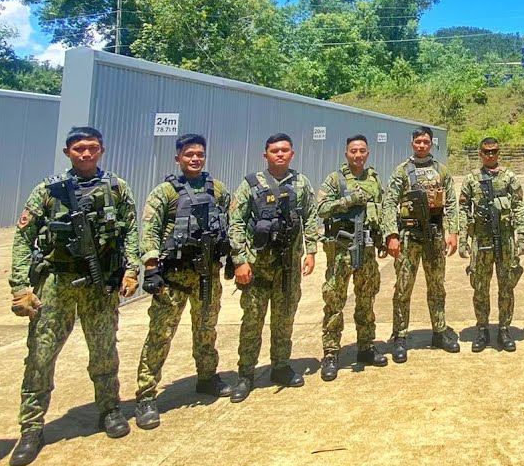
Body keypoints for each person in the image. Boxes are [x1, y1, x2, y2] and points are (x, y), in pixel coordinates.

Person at [9, 126, 141, 466]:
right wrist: (20, 287)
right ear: (68, 152)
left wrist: (132, 270)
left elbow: (130, 231)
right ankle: (31, 428)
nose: (86, 154)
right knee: (40, 355)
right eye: (79, 148)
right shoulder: (48, 190)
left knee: (103, 350)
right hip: (57, 283)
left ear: (102, 150)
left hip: (100, 285)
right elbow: (23, 239)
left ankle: (110, 410)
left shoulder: (116, 188)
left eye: (92, 148)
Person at [134, 133, 233, 430]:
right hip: (174, 277)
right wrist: (151, 266)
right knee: (160, 334)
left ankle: (207, 377)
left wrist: (230, 258)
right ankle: (146, 394)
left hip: (207, 274)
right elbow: (149, 231)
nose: (195, 159)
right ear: (178, 158)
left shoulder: (218, 189)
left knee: (206, 328)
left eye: (200, 154)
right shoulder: (165, 192)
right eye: (189, 154)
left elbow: (229, 224)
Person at [228, 133, 319, 398]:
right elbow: (235, 223)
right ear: (265, 155)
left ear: (292, 154)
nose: (280, 154)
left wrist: (311, 251)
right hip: (257, 268)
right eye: (274, 151)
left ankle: (280, 365)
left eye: (285, 150)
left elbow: (310, 218)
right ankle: (245, 374)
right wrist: (240, 261)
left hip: (287, 266)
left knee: (284, 319)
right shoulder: (250, 185)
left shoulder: (301, 184)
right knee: (252, 321)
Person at [382, 127, 461, 362]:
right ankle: (400, 336)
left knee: (437, 286)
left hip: (435, 235)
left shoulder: (441, 171)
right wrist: (391, 234)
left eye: (425, 142)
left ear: (431, 143)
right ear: (412, 144)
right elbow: (389, 203)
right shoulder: (402, 171)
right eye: (418, 142)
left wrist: (453, 231)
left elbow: (452, 203)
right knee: (403, 288)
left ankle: (439, 331)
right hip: (409, 235)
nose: (421, 145)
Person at [316, 134, 388, 381]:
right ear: (346, 153)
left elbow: (382, 209)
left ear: (367, 153)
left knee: (366, 299)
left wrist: (384, 239)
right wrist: (347, 201)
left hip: (367, 250)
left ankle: (366, 347)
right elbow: (321, 209)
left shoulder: (374, 179)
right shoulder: (335, 179)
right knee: (334, 302)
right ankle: (331, 353)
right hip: (341, 251)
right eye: (353, 151)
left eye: (362, 151)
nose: (358, 155)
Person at [459, 138, 524, 352]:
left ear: (499, 153)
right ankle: (482, 330)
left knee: (506, 286)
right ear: (480, 154)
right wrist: (463, 239)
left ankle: (504, 329)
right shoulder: (471, 179)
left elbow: (518, 207)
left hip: (505, 239)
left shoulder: (509, 177)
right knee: (480, 287)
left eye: (494, 151)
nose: (490, 155)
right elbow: (463, 209)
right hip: (481, 240)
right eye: (486, 152)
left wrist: (522, 237)